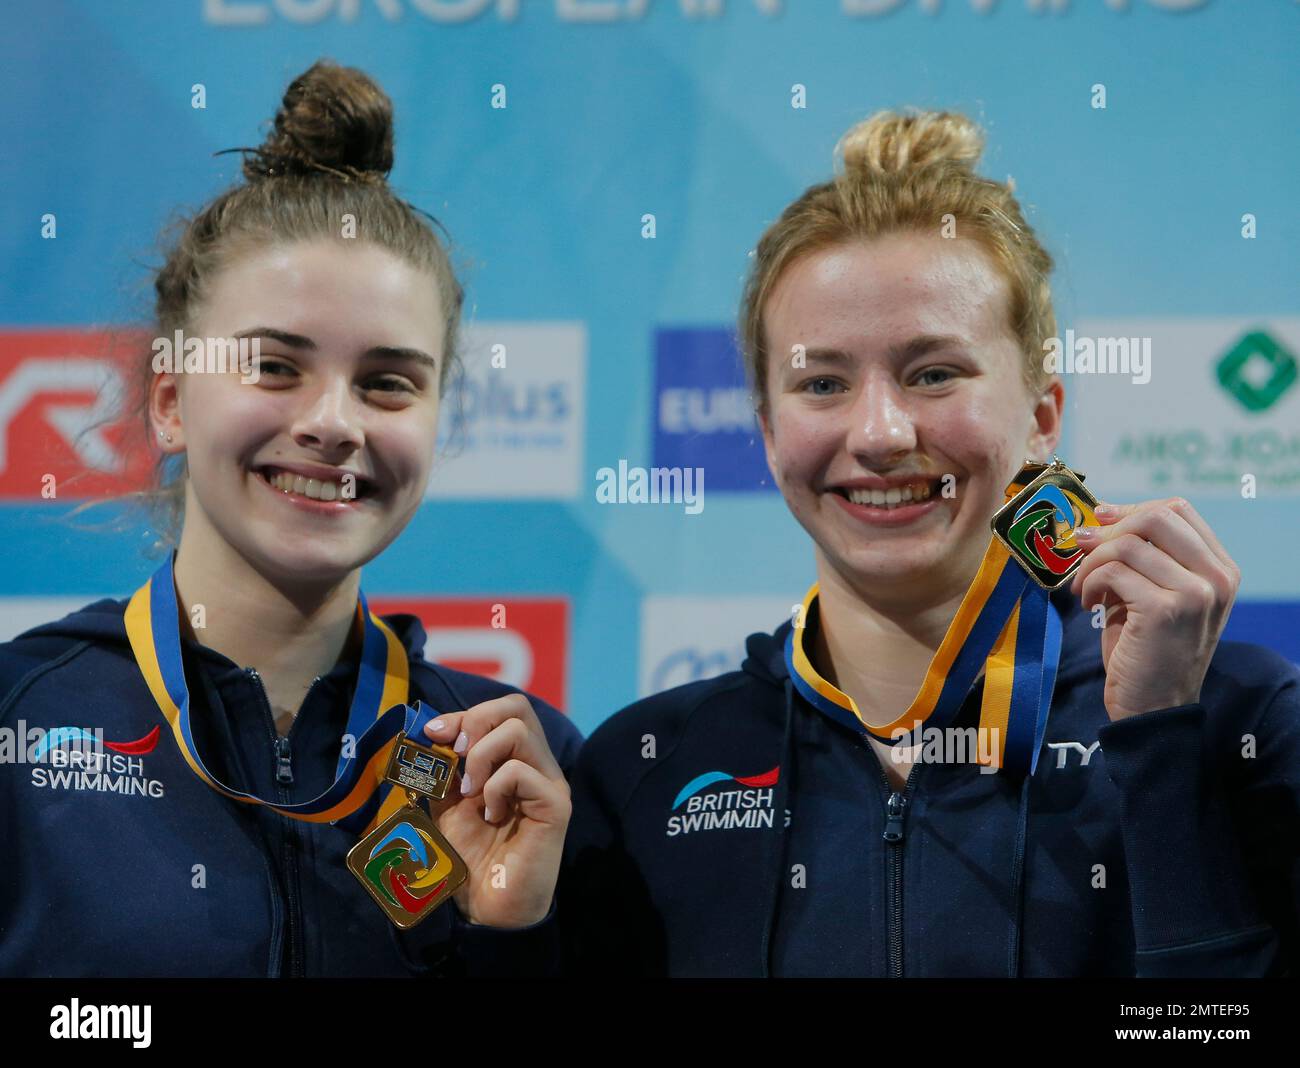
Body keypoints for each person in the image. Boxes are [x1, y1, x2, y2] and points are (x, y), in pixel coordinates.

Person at [560, 109, 1298, 977]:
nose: (877, 432)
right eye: (823, 382)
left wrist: (1160, 746)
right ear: (766, 430)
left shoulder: (1241, 721)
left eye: (934, 373)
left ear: (1042, 417)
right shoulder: (649, 766)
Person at [0, 60, 579, 978]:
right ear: (170, 402)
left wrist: (502, 939)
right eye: (275, 367)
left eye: (388, 383)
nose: (334, 424)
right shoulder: (18, 721)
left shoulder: (513, 762)